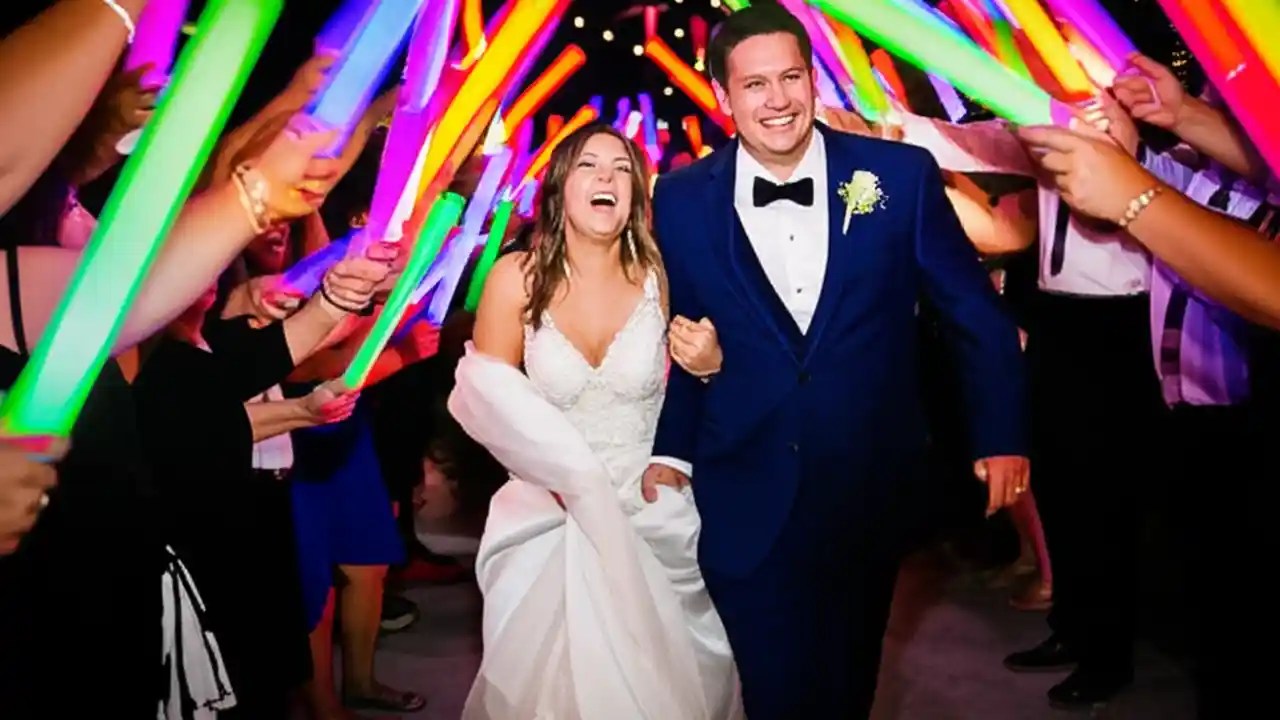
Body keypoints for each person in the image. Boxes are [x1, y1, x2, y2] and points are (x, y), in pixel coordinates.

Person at [644, 4, 1029, 717]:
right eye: (754, 85)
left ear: (813, 80)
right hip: (742, 485)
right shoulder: (679, 198)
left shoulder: (900, 175)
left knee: (848, 682)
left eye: (791, 77)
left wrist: (1001, 434)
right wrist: (672, 449)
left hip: (867, 482)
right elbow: (671, 329)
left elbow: (973, 311)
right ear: (724, 97)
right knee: (774, 690)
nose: (778, 100)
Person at [451, 123, 741, 719]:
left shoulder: (665, 275)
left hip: (650, 507)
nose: (607, 177)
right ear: (559, 186)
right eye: (588, 165)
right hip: (547, 515)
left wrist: (712, 369)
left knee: (662, 687)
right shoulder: (516, 278)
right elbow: (488, 403)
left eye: (620, 168)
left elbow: (713, 384)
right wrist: (556, 472)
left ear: (637, 191)